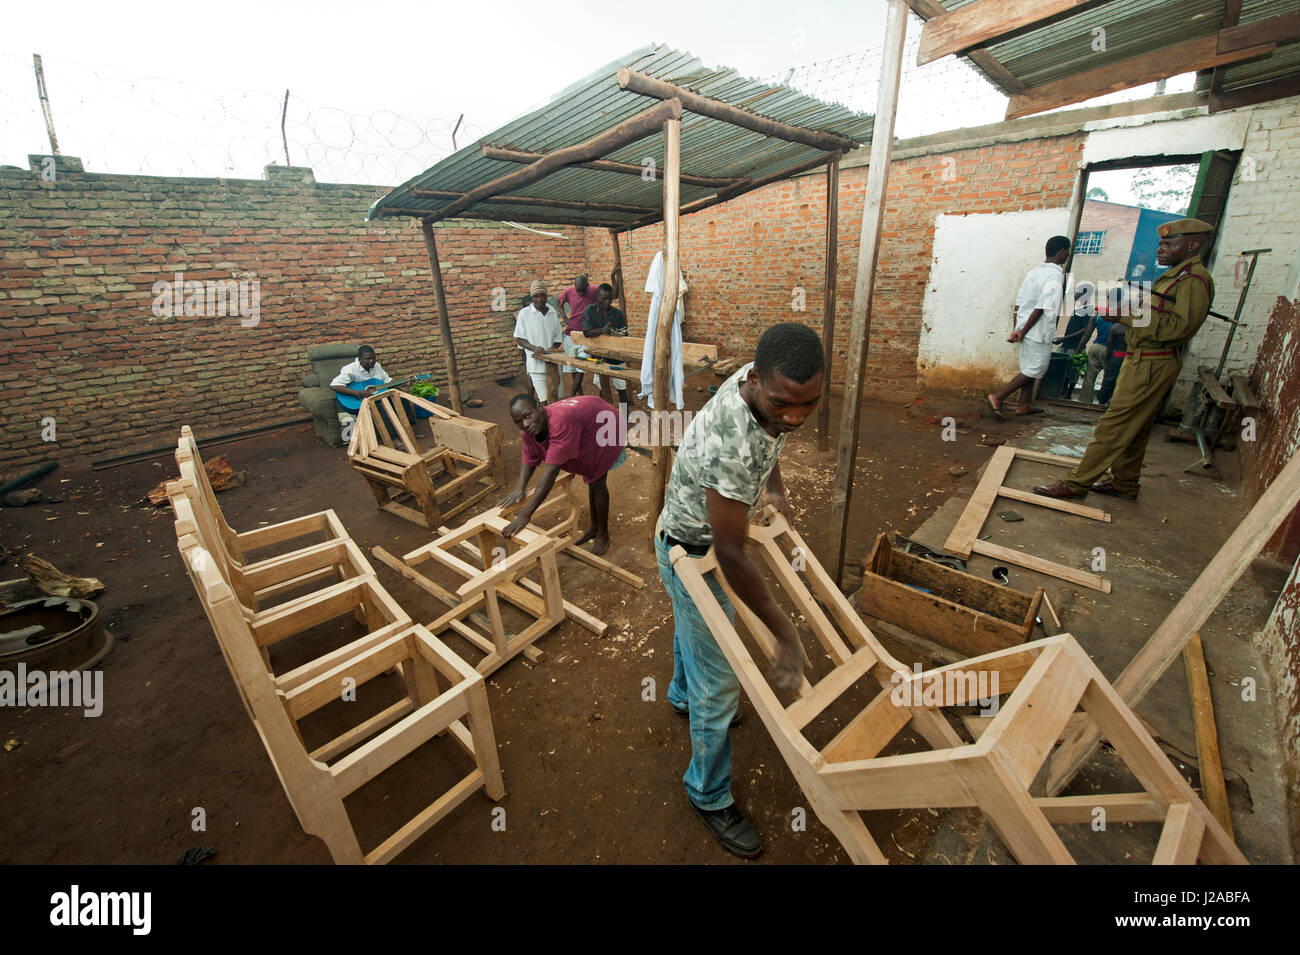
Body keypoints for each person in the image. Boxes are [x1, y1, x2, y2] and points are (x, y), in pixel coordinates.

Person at [655, 321, 823, 859]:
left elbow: (769, 440)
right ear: (754, 381)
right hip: (691, 548)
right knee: (722, 680)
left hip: (694, 533)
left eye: (809, 405)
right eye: (784, 405)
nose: (794, 417)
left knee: (695, 640)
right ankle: (707, 794)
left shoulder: (760, 386)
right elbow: (730, 554)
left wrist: (772, 489)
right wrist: (786, 634)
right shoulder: (732, 440)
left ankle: (681, 696)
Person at [1034, 218, 1216, 501]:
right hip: (1143, 358)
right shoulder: (1175, 276)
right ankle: (1125, 482)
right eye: (1160, 243)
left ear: (1193, 245)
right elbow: (1161, 317)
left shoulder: (1193, 280)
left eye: (1171, 243)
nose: (1161, 249)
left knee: (1114, 424)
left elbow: (1180, 329)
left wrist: (1126, 316)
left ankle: (1076, 483)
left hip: (1154, 361)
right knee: (1137, 425)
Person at [500, 394, 627, 556]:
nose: (525, 424)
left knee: (597, 479)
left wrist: (525, 515)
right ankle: (594, 527)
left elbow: (550, 473)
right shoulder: (528, 431)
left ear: (539, 406)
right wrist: (520, 488)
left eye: (527, 416)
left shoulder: (560, 423)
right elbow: (530, 456)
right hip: (588, 422)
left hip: (606, 423)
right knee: (592, 479)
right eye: (518, 421)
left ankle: (603, 534)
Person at [987, 235, 1071, 419]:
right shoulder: (1055, 275)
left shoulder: (1034, 272)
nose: (1068, 255)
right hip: (1037, 331)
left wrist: (1017, 328)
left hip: (1025, 327)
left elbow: (1018, 304)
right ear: (1061, 252)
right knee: (1036, 369)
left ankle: (1023, 405)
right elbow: (1041, 307)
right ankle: (997, 396)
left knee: (1029, 368)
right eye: (1068, 251)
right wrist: (1022, 332)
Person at [330, 344, 417, 439]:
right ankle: (393, 439)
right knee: (381, 405)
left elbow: (388, 381)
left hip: (376, 394)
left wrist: (404, 381)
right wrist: (358, 393)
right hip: (358, 399)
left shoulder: (376, 366)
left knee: (401, 396)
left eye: (373, 358)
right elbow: (334, 385)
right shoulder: (350, 369)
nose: (371, 361)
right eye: (367, 359)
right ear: (359, 358)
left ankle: (410, 431)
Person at [558, 273, 614, 396]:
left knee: (582, 366)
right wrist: (564, 316)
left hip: (587, 334)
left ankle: (571, 395)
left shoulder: (594, 290)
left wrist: (612, 277)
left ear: (587, 286)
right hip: (571, 333)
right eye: (578, 291)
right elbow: (559, 301)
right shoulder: (568, 291)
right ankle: (581, 394)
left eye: (583, 291)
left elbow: (611, 294)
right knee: (572, 365)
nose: (581, 293)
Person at [513, 280, 564, 404]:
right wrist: (534, 348)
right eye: (536, 296)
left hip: (553, 363)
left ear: (546, 296)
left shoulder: (552, 311)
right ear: (532, 298)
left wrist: (553, 347)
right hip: (536, 365)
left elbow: (558, 337)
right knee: (545, 401)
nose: (539, 299)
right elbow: (519, 338)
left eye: (542, 295)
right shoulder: (525, 314)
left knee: (557, 399)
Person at [583, 282, 629, 397]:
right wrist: (601, 331)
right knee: (603, 388)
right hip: (599, 357)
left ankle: (624, 415)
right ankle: (604, 413)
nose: (607, 302)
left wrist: (619, 334)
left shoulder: (617, 314)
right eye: (604, 299)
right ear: (597, 297)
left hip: (616, 357)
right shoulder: (590, 310)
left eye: (610, 299)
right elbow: (586, 332)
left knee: (622, 389)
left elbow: (625, 333)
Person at [1096, 322, 1127, 406]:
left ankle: (1102, 401)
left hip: (1117, 356)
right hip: (1130, 358)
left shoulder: (1115, 327)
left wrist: (1109, 360)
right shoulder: (1134, 326)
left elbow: (1109, 343)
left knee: (1108, 381)